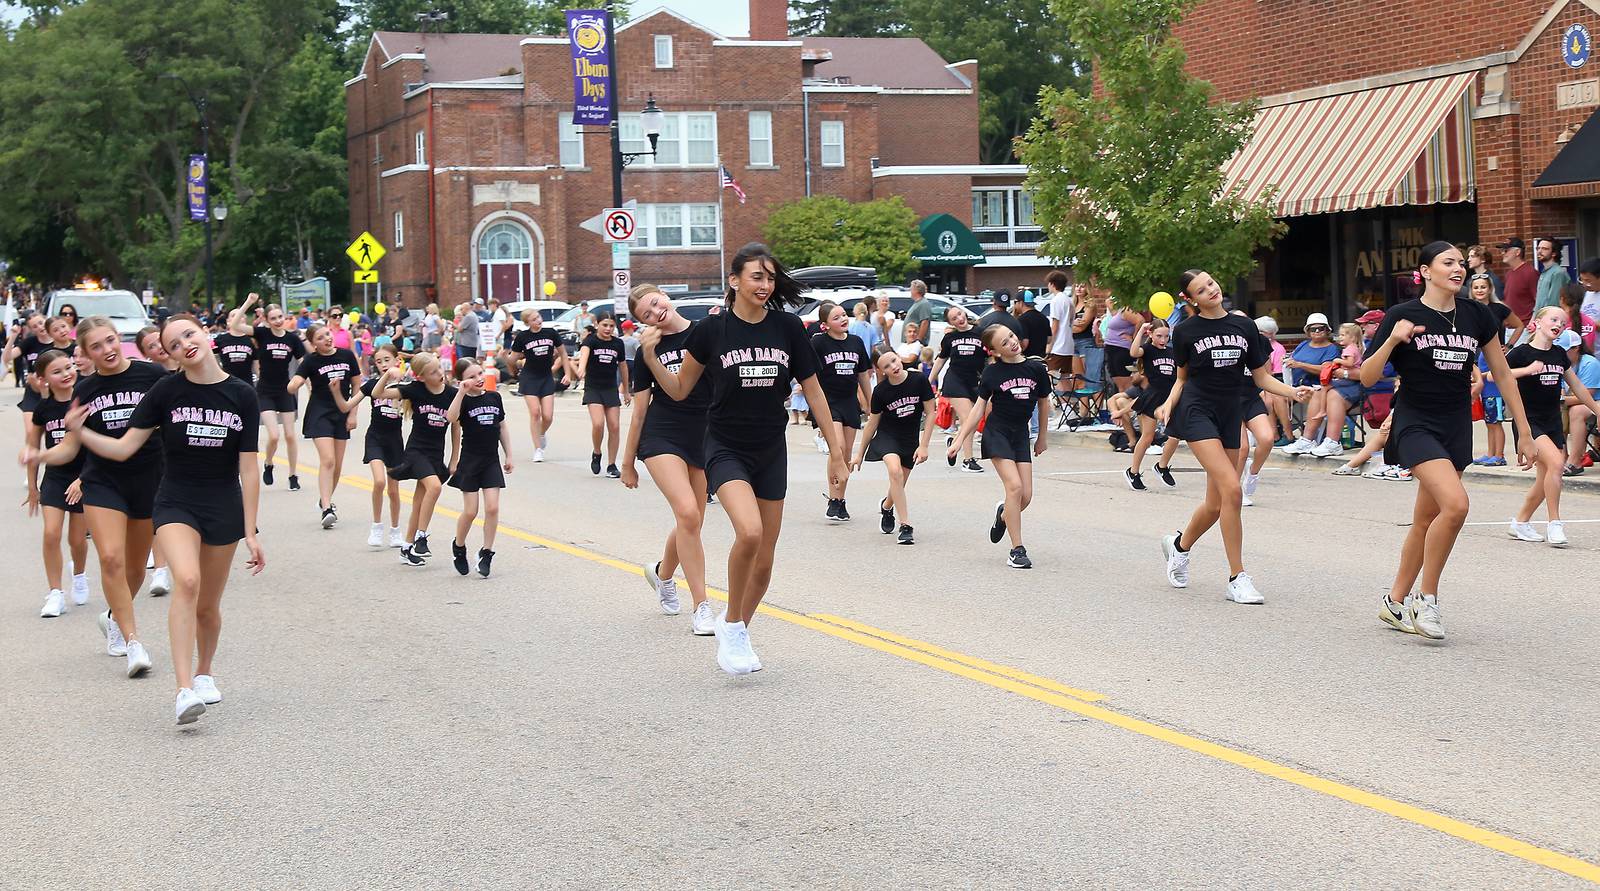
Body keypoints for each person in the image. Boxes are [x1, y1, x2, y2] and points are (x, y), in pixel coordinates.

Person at [637, 242, 847, 676]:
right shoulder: (711, 332)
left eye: (770, 277)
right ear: (734, 281)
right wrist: (650, 357)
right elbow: (678, 390)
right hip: (725, 446)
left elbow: (812, 390)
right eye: (757, 276)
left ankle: (737, 630)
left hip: (771, 448)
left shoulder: (788, 328)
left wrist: (837, 453)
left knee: (766, 557)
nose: (765, 285)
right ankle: (729, 621)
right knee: (749, 532)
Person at [47, 315, 264, 724]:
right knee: (186, 580)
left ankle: (204, 673)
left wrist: (251, 531)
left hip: (222, 503)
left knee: (208, 607)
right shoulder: (166, 389)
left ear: (206, 335)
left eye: (189, 334)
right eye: (174, 343)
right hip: (175, 500)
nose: (184, 344)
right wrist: (82, 434)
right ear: (173, 356)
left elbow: (248, 467)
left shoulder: (242, 394)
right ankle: (183, 691)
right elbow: (125, 446)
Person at [1362, 241, 1533, 641]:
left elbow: (1503, 374)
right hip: (1416, 422)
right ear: (1425, 270)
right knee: (1455, 505)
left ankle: (1393, 601)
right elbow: (1368, 377)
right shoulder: (1402, 315)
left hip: (1455, 424)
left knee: (1427, 519)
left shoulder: (1477, 314)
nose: (1458, 269)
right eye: (1448, 263)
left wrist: (1522, 430)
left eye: (1461, 263)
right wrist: (1391, 340)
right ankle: (1428, 598)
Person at [1157, 270, 1312, 605]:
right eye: (1201, 290)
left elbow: (1261, 377)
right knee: (1232, 489)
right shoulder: (1185, 331)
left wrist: (1292, 392)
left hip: (1230, 412)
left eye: (1211, 283)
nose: (1211, 290)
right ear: (1191, 299)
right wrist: (1169, 403)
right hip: (1197, 412)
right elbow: (1182, 378)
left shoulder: (1245, 327)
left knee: (1215, 504)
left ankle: (1179, 546)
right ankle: (1237, 577)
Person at [40, 318, 167, 677]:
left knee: (134, 568)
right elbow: (70, 447)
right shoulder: (86, 390)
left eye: (110, 341)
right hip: (103, 481)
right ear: (85, 353)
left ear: (120, 339)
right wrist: (40, 457)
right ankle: (133, 642)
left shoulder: (153, 376)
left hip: (148, 478)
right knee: (110, 558)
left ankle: (112, 616)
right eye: (96, 346)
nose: (107, 350)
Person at [620, 285, 716, 634]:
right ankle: (702, 607)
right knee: (688, 512)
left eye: (656, 303)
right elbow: (641, 410)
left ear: (665, 296)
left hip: (702, 436)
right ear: (642, 322)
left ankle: (663, 575)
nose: (656, 312)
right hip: (663, 434)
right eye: (646, 314)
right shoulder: (648, 350)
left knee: (692, 521)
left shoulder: (704, 331)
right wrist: (628, 460)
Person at [946, 324, 1051, 569]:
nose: (1012, 343)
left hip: (1020, 436)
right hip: (997, 433)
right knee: (1014, 488)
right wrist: (960, 440)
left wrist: (1042, 436)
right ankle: (1017, 550)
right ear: (994, 351)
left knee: (1025, 497)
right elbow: (978, 410)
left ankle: (1004, 514)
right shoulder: (993, 373)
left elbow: (1044, 404)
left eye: (1012, 337)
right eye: (1004, 342)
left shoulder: (1036, 369)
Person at [1505, 308, 1599, 546]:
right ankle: (1554, 523)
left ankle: (1521, 522)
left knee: (1547, 476)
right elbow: (1496, 376)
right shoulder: (1521, 353)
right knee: (1557, 465)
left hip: (1552, 420)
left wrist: (1598, 410)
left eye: (1563, 322)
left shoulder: (1559, 354)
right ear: (1537, 322)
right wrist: (1526, 370)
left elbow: (1577, 387)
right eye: (1554, 319)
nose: (1559, 324)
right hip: (1528, 421)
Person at [370, 352, 459, 567]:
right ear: (421, 377)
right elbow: (376, 393)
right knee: (435, 488)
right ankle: (421, 536)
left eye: (439, 368)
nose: (439, 373)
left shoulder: (452, 394)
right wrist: (388, 376)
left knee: (419, 503)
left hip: (436, 454)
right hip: (416, 451)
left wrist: (454, 459)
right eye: (433, 372)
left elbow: (456, 427)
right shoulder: (415, 390)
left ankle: (406, 548)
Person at [25, 350, 90, 618]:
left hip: (85, 476)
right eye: (57, 371)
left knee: (77, 539)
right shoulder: (43, 409)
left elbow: (97, 448)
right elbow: (32, 448)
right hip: (55, 477)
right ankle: (55, 593)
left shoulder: (86, 401)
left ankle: (79, 576)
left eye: (68, 367)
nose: (66, 374)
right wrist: (33, 487)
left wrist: (83, 480)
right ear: (43, 380)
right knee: (51, 533)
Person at [853, 345, 938, 545]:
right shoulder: (881, 392)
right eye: (886, 366)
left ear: (899, 357)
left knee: (898, 483)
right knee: (895, 472)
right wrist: (859, 454)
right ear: (881, 371)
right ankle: (905, 525)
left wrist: (924, 446)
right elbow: (872, 423)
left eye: (894, 360)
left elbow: (931, 412)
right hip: (887, 437)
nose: (893, 366)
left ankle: (886, 506)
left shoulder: (918, 380)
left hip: (909, 439)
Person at [288, 323, 360, 529]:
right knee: (327, 460)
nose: (327, 339)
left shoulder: (346, 356)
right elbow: (296, 382)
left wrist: (352, 414)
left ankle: (325, 497)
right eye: (320, 338)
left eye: (327, 334)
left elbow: (357, 385)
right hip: (319, 413)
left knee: (337, 465)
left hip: (342, 412)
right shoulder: (311, 361)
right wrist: (293, 385)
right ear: (313, 344)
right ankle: (327, 508)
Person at [446, 359, 511, 577]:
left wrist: (509, 454)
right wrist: (460, 392)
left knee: (492, 508)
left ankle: (487, 551)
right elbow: (451, 417)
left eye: (480, 373)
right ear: (462, 380)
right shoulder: (462, 400)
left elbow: (501, 426)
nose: (478, 379)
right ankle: (459, 546)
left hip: (491, 460)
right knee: (471, 511)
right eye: (472, 376)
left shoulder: (494, 397)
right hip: (470, 461)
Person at [811, 301, 872, 520]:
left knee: (845, 455)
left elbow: (863, 375)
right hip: (827, 402)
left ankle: (840, 499)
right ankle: (833, 498)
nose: (843, 320)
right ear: (825, 324)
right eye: (836, 318)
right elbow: (809, 373)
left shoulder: (856, 342)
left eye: (844, 315)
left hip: (849, 402)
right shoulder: (818, 343)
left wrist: (870, 403)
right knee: (838, 447)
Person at [349, 343, 405, 548]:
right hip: (375, 437)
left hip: (394, 440)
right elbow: (348, 405)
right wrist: (336, 394)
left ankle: (396, 530)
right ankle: (376, 526)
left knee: (393, 490)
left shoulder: (404, 386)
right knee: (379, 481)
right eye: (379, 361)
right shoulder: (372, 384)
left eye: (387, 360)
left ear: (397, 360)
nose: (383, 364)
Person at [253, 303, 305, 490]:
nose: (277, 321)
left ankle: (293, 475)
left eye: (280, 317)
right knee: (274, 435)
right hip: (265, 391)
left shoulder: (292, 339)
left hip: (285, 390)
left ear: (285, 317)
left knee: (290, 436)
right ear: (266, 320)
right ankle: (268, 463)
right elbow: (234, 326)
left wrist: (310, 384)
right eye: (273, 318)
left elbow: (304, 363)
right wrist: (248, 304)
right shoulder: (262, 334)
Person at [1123, 320, 1179, 491]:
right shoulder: (1147, 350)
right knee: (1147, 437)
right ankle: (1133, 472)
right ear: (1151, 335)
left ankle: (1161, 466)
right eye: (1159, 336)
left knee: (1175, 435)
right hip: (1152, 397)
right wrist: (1141, 330)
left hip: (1169, 397)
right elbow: (1133, 352)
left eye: (1166, 336)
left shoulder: (1172, 352)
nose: (1163, 339)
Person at [508, 309, 570, 463]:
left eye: (538, 317)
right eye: (534, 319)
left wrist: (568, 374)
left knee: (548, 416)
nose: (538, 320)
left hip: (546, 376)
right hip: (529, 377)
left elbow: (563, 354)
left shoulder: (551, 333)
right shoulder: (523, 336)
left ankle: (541, 434)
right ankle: (538, 449)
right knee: (535, 413)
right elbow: (512, 359)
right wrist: (512, 366)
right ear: (527, 322)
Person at [930, 307, 987, 473]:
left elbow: (990, 355)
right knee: (968, 417)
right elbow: (941, 360)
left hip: (975, 381)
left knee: (973, 420)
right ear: (951, 323)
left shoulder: (981, 333)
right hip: (955, 380)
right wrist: (928, 381)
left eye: (960, 314)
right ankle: (968, 460)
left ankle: (955, 442)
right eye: (954, 318)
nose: (959, 319)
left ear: (965, 314)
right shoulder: (950, 338)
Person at [1278, 313, 1341, 455]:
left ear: (1327, 330)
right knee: (1267, 394)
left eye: (1321, 329)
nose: (1317, 332)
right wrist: (1287, 359)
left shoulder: (1331, 348)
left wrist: (1300, 364)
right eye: (1313, 329)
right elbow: (1292, 358)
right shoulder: (1303, 345)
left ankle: (1288, 437)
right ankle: (1274, 435)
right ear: (1308, 331)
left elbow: (1326, 370)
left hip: (1313, 388)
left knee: (1278, 397)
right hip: (1293, 385)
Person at [575, 316, 630, 477]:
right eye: (604, 325)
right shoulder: (591, 341)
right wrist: (582, 369)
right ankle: (597, 452)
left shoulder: (617, 343)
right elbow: (584, 354)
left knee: (614, 426)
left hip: (610, 388)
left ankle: (612, 465)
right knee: (598, 424)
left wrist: (626, 390)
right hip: (593, 388)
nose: (608, 329)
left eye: (611, 326)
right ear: (597, 324)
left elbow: (623, 367)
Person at [214, 293, 260, 382]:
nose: (238, 318)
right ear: (228, 321)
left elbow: (257, 365)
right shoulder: (220, 339)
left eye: (241, 316)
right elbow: (210, 357)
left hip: (247, 384)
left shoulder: (252, 340)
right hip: (227, 384)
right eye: (234, 316)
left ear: (245, 320)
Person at [1044, 271, 1077, 381]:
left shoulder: (1056, 300)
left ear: (1052, 284)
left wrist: (1049, 345)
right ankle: (1067, 398)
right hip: (1068, 344)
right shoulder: (1069, 300)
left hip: (1058, 346)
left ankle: (1060, 398)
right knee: (1064, 378)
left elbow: (1055, 325)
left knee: (1052, 377)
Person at [1500, 237, 1535, 322]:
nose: (1502, 253)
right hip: (1511, 326)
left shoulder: (1530, 273)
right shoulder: (1509, 274)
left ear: (1517, 252)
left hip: (1525, 326)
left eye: (1506, 250)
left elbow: (1539, 302)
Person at [1534, 236, 1570, 313]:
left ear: (1554, 253)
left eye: (1544, 249)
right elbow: (1539, 303)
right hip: (1541, 319)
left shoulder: (1558, 273)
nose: (1539, 251)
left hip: (1551, 319)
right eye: (1538, 248)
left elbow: (1553, 304)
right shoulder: (1545, 272)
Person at [903, 280, 934, 347]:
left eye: (911, 289)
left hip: (915, 343)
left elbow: (925, 322)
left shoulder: (924, 303)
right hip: (910, 341)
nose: (910, 291)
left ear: (916, 290)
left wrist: (918, 340)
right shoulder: (917, 303)